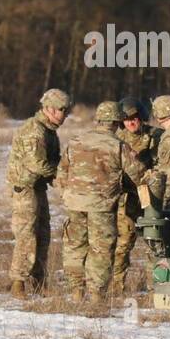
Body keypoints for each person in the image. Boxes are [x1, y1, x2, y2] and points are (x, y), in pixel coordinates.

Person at [55, 101, 148, 301]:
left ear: (98, 120)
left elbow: (61, 173)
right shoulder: (118, 146)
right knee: (101, 249)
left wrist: (67, 195)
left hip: (74, 204)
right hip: (102, 206)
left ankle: (76, 291)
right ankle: (96, 295)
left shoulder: (76, 141)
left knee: (75, 246)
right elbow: (138, 174)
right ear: (116, 122)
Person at [7, 89, 70, 297]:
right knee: (27, 236)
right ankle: (18, 284)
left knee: (43, 235)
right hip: (25, 189)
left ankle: (39, 281)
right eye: (62, 110)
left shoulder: (49, 131)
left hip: (38, 188)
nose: (65, 114)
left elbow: (52, 161)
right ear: (50, 109)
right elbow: (37, 164)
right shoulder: (35, 131)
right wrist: (61, 174)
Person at [112, 98, 161, 294]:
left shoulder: (155, 136)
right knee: (123, 243)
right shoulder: (116, 140)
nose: (131, 123)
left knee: (154, 241)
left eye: (134, 118)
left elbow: (162, 166)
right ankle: (117, 286)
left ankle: (156, 285)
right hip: (127, 199)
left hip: (149, 197)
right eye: (126, 120)